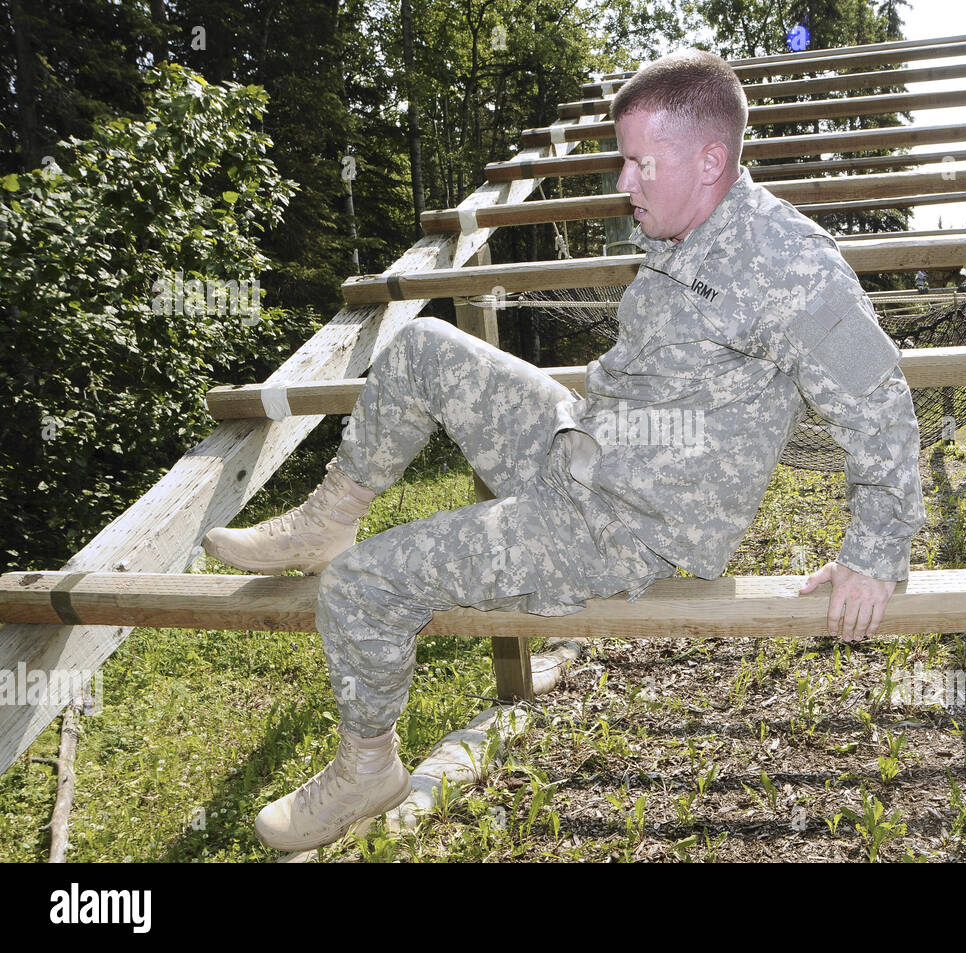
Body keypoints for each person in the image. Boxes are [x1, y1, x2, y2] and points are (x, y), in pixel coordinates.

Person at [203, 48, 926, 852]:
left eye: (640, 162)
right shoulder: (685, 226)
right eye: (624, 160)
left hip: (619, 526)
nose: (624, 183)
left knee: (366, 582)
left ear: (711, 160)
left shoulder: (791, 267)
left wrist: (875, 550)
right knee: (424, 346)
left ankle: (367, 764)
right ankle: (327, 517)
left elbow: (881, 401)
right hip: (582, 445)